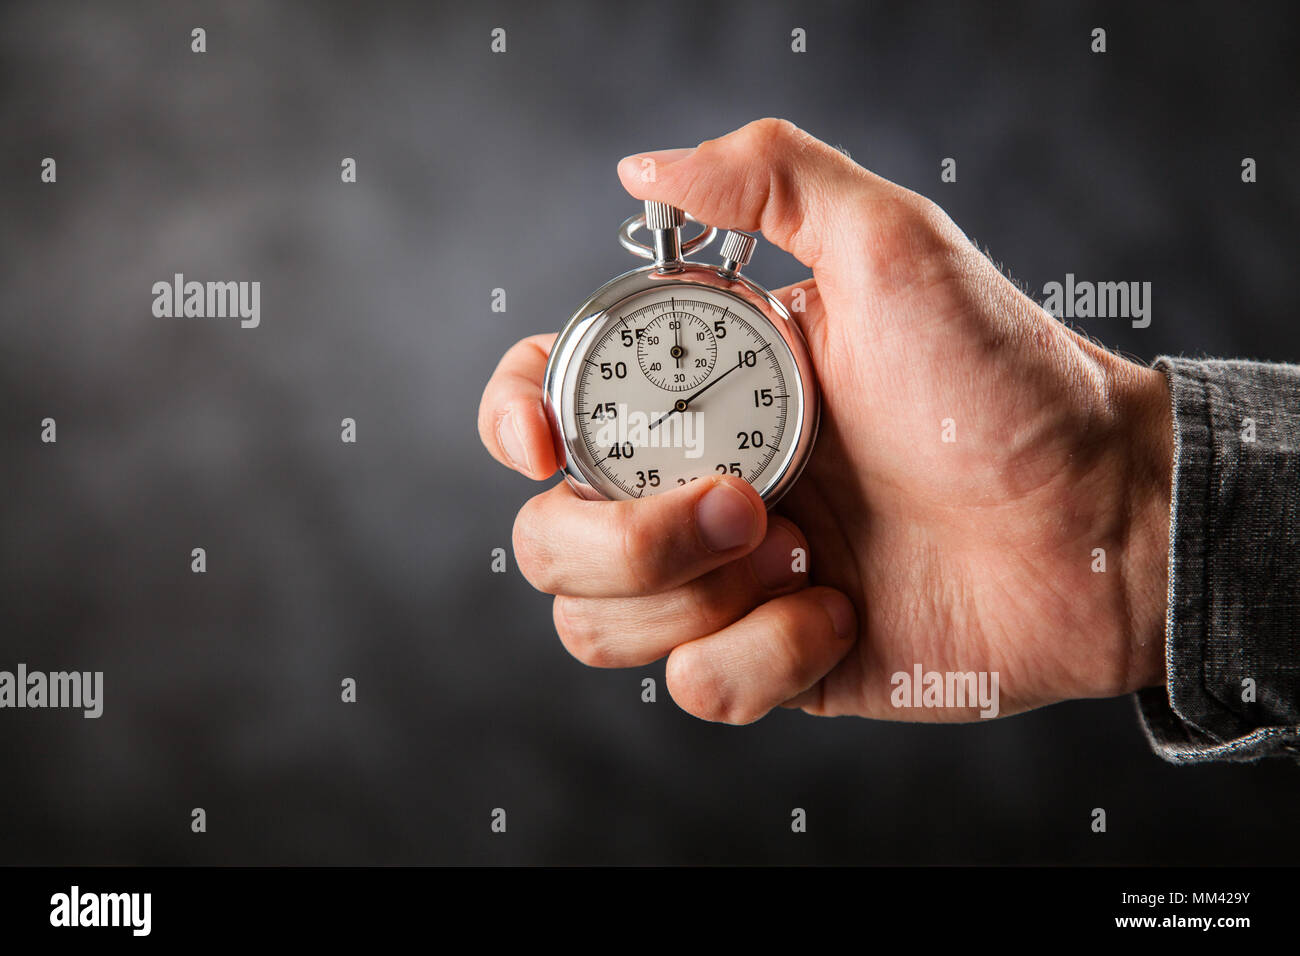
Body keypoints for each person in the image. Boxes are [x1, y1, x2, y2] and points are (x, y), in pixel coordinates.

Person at [478, 119, 1299, 764]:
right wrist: (1132, 535)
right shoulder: (666, 339)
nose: (687, 404)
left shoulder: (777, 335)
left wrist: (1126, 505)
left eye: (706, 380)